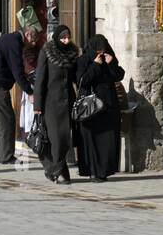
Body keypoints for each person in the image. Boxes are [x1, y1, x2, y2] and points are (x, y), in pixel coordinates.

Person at [0, 15, 40, 165]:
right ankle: (7, 156)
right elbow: (17, 70)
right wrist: (30, 91)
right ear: (27, 34)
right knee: (7, 119)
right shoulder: (15, 43)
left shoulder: (10, 39)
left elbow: (13, 67)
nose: (32, 44)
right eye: (32, 40)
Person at [75, 34, 125, 182]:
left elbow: (118, 76)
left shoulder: (109, 58)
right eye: (98, 50)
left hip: (108, 107)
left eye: (103, 49)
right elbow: (82, 80)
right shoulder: (83, 60)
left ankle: (104, 171)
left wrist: (111, 65)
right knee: (91, 141)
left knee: (108, 141)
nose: (101, 53)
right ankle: (92, 172)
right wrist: (96, 65)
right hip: (90, 108)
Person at [33, 25, 79, 184]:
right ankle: (59, 172)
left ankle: (54, 169)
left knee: (65, 139)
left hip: (67, 102)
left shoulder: (72, 53)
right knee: (56, 139)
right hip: (50, 103)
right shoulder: (47, 52)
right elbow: (40, 79)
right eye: (63, 38)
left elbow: (76, 77)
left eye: (68, 37)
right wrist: (37, 106)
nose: (66, 41)